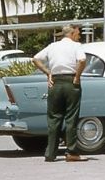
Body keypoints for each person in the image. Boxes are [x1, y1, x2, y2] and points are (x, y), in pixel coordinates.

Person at [32, 24, 88, 163]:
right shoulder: (76, 46)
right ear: (72, 33)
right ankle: (71, 152)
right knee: (71, 118)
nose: (79, 35)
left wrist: (48, 73)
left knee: (54, 118)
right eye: (78, 32)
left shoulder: (53, 46)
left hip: (55, 82)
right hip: (71, 81)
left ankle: (50, 153)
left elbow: (35, 59)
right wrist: (77, 77)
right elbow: (82, 60)